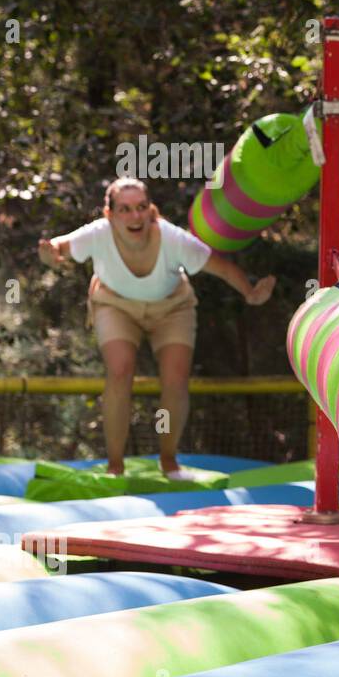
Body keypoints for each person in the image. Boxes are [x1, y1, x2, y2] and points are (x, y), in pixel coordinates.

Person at [37, 176, 275, 478]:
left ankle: (169, 462)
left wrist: (251, 293)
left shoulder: (172, 239)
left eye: (141, 207)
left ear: (151, 210)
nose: (134, 217)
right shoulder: (98, 234)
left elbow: (221, 267)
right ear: (109, 215)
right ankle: (115, 467)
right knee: (120, 370)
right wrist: (50, 254)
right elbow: (58, 246)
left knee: (175, 378)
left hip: (172, 307)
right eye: (124, 209)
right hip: (115, 304)